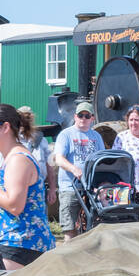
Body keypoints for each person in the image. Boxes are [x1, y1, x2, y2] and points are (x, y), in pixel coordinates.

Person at [0, 104, 55, 269]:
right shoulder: (8, 158)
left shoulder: (18, 159)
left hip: (21, 245)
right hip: (14, 243)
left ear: (5, 127)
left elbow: (14, 205)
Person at [54, 101, 105, 240]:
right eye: (80, 115)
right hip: (71, 188)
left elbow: (102, 160)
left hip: (91, 189)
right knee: (69, 229)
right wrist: (73, 168)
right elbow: (59, 159)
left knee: (93, 226)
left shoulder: (96, 137)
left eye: (86, 116)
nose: (83, 118)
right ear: (75, 116)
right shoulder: (66, 135)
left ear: (92, 118)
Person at [16, 106, 56, 209]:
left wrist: (52, 189)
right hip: (18, 190)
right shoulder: (13, 140)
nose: (25, 121)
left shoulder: (42, 140)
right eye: (22, 118)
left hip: (40, 189)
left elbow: (49, 166)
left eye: (28, 118)